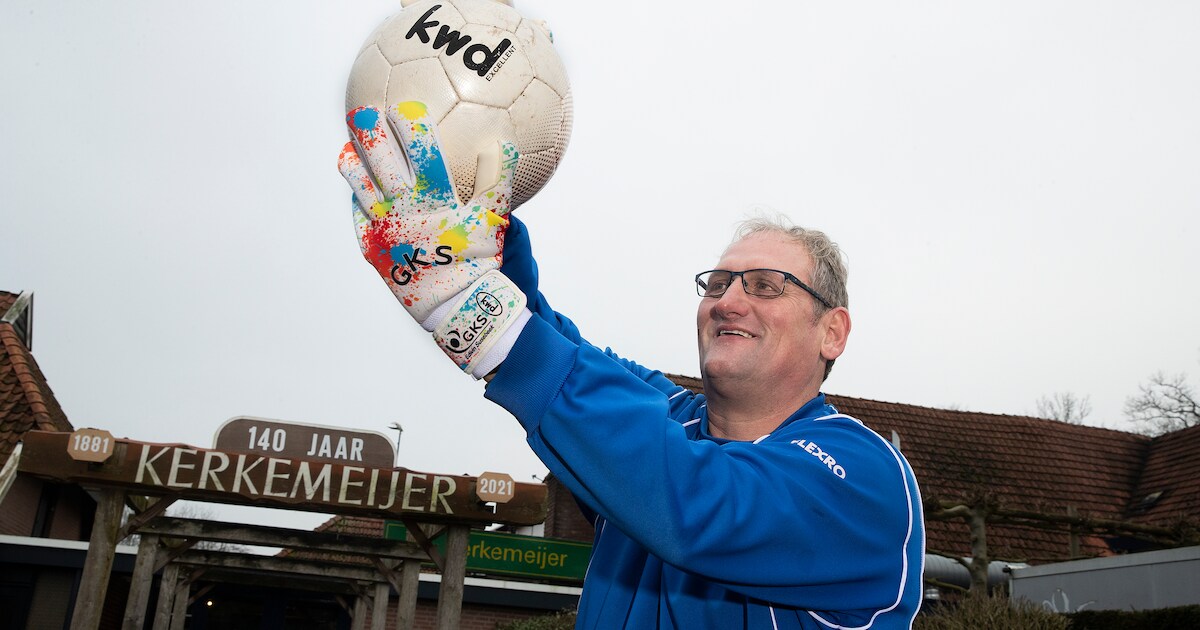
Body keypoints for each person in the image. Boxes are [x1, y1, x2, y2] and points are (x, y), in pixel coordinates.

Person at [339, 102, 925, 629]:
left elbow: (693, 503)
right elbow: (564, 357)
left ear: (832, 332)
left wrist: (487, 322)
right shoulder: (668, 416)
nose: (727, 301)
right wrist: (484, 251)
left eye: (766, 286)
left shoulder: (865, 476)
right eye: (718, 283)